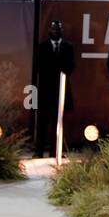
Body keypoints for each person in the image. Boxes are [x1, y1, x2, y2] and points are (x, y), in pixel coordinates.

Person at [33, 19, 76, 157]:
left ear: (62, 31)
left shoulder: (68, 47)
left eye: (58, 29)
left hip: (61, 90)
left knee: (58, 121)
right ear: (49, 31)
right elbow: (38, 67)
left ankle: (55, 150)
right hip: (45, 91)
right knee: (42, 122)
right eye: (53, 29)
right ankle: (39, 151)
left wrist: (60, 71)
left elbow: (70, 67)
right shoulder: (42, 47)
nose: (55, 31)